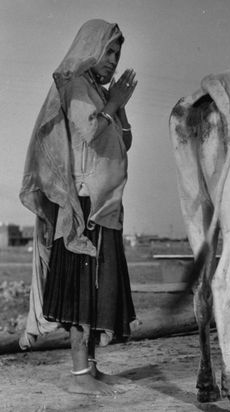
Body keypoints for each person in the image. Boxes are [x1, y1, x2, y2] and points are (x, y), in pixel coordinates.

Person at [20, 19, 137, 395]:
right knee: (81, 290)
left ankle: (92, 367)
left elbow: (125, 141)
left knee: (100, 289)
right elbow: (88, 132)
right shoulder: (73, 84)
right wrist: (114, 104)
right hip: (82, 206)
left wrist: (119, 108)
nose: (114, 60)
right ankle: (78, 376)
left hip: (105, 206)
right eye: (110, 50)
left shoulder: (99, 93)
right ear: (91, 46)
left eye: (118, 53)